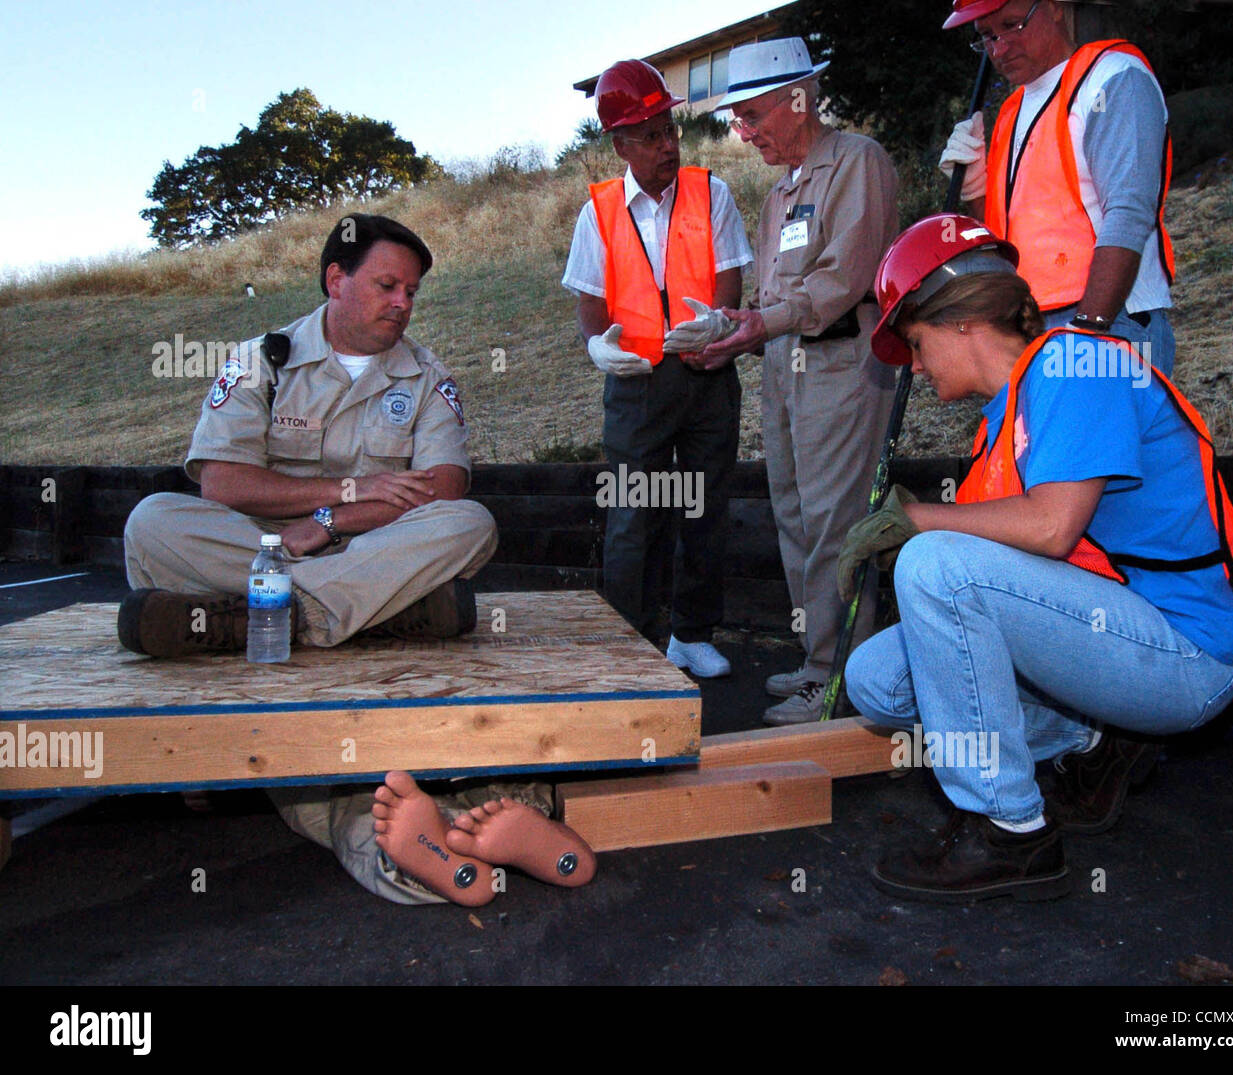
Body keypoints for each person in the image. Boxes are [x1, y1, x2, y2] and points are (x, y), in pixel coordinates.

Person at [118, 214, 596, 906]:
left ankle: (276, 616)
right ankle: (318, 610)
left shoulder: (428, 377)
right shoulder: (262, 359)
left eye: (412, 291)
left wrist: (331, 522)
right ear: (335, 279)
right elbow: (220, 482)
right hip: (272, 552)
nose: (402, 303)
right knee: (152, 520)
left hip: (371, 554)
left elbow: (444, 489)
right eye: (387, 285)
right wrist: (340, 495)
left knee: (470, 522)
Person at [839, 212, 1233, 903]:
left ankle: (1013, 830)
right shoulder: (1003, 422)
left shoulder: (1075, 364)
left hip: (1190, 657)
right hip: (1116, 641)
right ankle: (1087, 743)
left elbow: (1052, 528)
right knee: (876, 680)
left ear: (959, 322)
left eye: (916, 343)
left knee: (934, 564)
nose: (915, 366)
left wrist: (916, 519)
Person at [701, 38, 899, 723]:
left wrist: (765, 321)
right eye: (738, 119)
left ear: (800, 98)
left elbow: (845, 278)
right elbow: (776, 296)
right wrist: (737, 326)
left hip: (844, 368)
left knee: (836, 523)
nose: (743, 132)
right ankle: (819, 661)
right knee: (794, 515)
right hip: (786, 372)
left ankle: (840, 679)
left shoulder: (859, 163)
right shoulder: (779, 194)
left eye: (752, 115)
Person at [563, 59, 753, 679]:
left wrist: (720, 326)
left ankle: (691, 633)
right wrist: (599, 347)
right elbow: (590, 306)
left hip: (707, 375)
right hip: (636, 386)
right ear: (620, 144)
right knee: (632, 516)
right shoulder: (598, 212)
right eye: (649, 135)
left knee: (704, 508)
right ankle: (630, 645)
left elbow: (730, 287)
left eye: (669, 128)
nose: (667, 144)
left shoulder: (711, 193)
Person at [938, 0, 1178, 373]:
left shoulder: (1112, 78)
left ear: (1054, 7)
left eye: (1012, 24)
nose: (1000, 48)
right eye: (986, 36)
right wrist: (974, 191)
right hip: (1036, 327)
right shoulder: (1012, 113)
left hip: (1111, 321)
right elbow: (1003, 244)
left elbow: (1129, 213)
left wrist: (1086, 332)